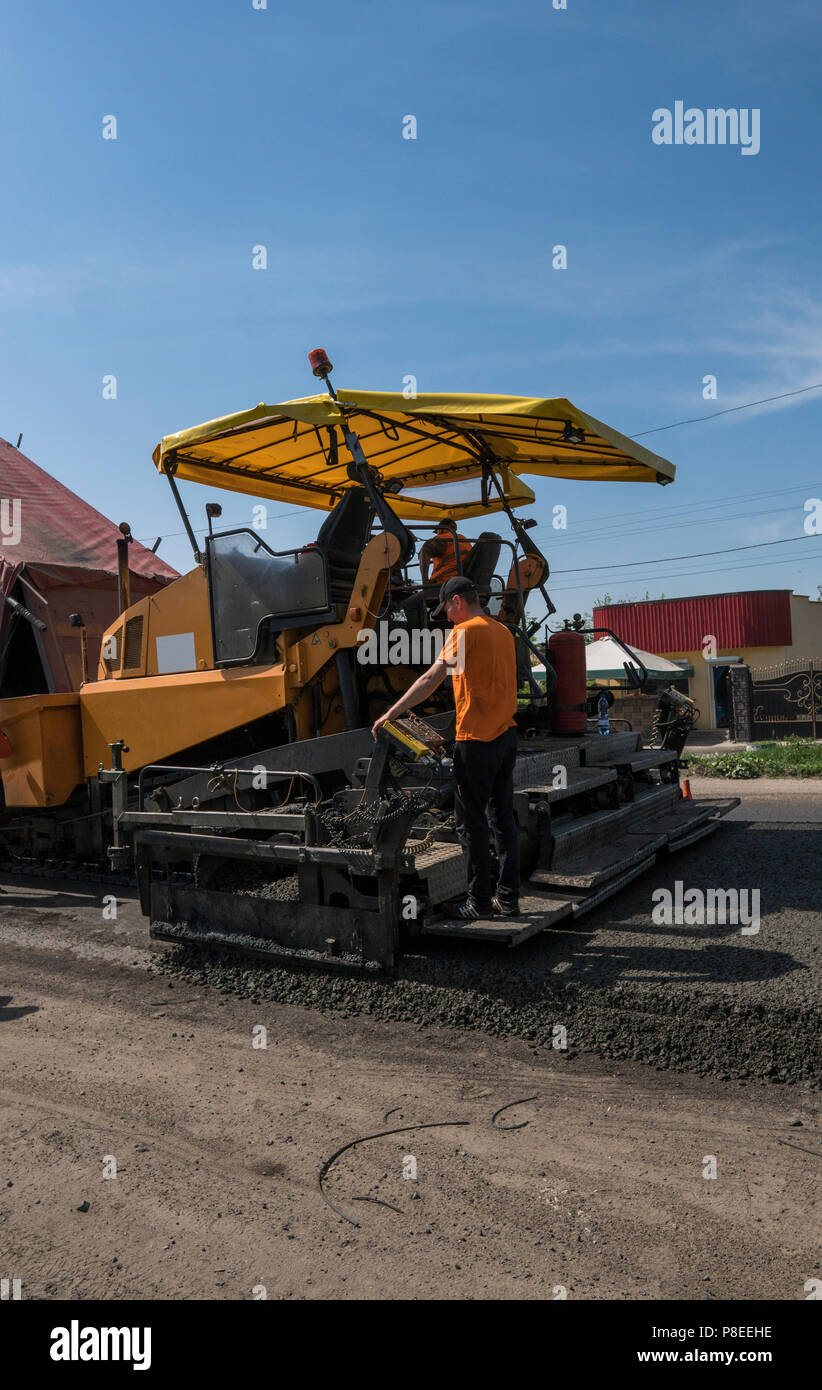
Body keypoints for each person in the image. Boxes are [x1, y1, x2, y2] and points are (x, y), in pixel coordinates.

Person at [371, 575, 520, 921]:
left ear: (457, 602)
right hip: (506, 736)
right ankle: (508, 899)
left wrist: (390, 714)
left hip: (476, 741)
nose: (447, 617)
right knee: (501, 819)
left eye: (447, 610)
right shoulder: (503, 632)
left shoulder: (464, 632)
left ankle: (479, 902)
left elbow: (430, 679)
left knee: (471, 824)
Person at [419, 518, 472, 586]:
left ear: (440, 529)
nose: (437, 533)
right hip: (463, 582)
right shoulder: (465, 541)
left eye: (437, 531)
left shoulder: (443, 538)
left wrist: (425, 583)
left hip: (444, 583)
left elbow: (425, 550)